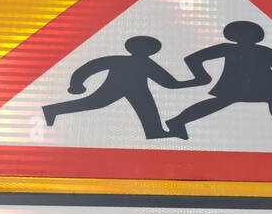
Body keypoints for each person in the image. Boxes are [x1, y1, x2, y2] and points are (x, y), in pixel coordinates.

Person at [165, 21, 272, 144]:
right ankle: (177, 121)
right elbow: (193, 59)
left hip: (262, 85)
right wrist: (202, 77)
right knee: (220, 103)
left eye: (251, 33)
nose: (248, 37)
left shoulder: (264, 51)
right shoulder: (227, 48)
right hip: (237, 84)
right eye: (243, 33)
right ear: (235, 35)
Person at [42, 36, 206, 139]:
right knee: (95, 103)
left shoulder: (143, 63)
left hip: (137, 91)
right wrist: (76, 84)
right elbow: (91, 67)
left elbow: (169, 83)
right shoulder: (131, 61)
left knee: (147, 109)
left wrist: (197, 82)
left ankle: (155, 132)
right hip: (117, 88)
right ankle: (52, 110)